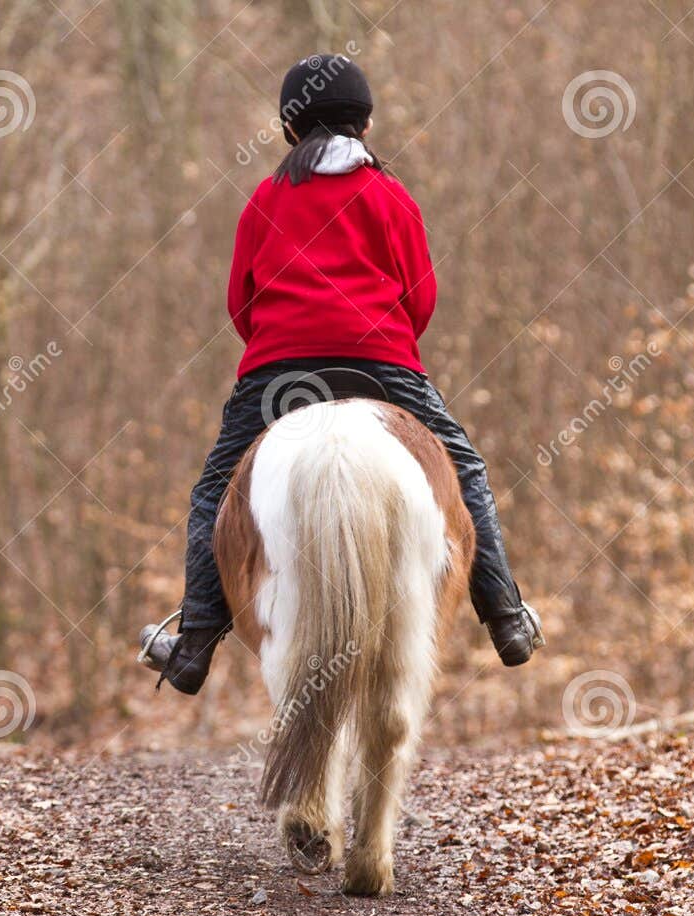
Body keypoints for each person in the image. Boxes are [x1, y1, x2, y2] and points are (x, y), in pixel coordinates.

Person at [140, 54, 544, 695]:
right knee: (465, 471)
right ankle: (506, 618)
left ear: (289, 129)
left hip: (278, 375)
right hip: (382, 367)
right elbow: (421, 297)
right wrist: (379, 341)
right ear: (367, 123)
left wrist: (283, 344)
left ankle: (193, 643)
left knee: (216, 494)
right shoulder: (391, 195)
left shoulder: (266, 199)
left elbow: (240, 304)